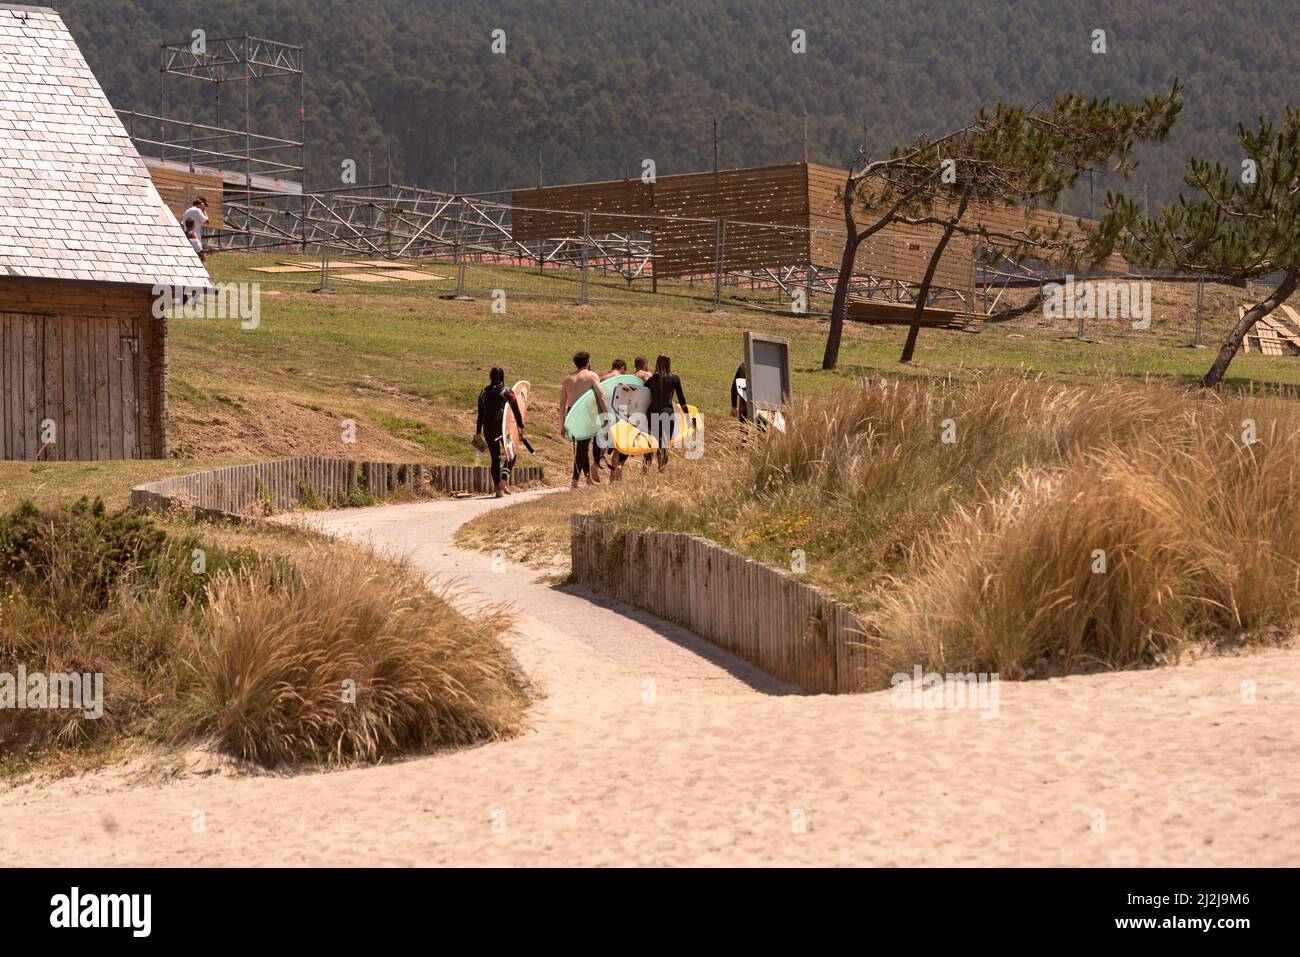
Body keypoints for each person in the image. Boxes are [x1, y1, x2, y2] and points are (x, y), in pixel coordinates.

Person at [560, 351, 609, 489]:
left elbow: (562, 404)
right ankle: (574, 480)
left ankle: (587, 478)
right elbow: (602, 397)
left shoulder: (568, 379)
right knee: (584, 446)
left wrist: (562, 425)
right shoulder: (592, 376)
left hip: (572, 413)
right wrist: (606, 415)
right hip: (587, 413)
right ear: (587, 362)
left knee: (582, 445)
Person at [475, 367, 525, 498]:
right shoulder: (506, 391)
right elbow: (516, 410)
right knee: (512, 454)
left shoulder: (483, 392)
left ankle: (498, 490)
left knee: (495, 458)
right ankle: (504, 480)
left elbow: (480, 415)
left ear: (490, 377)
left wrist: (478, 433)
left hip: (488, 428)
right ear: (502, 377)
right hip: (502, 428)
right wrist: (521, 427)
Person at [647, 354, 688, 469]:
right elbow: (682, 400)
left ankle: (645, 470)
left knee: (651, 443)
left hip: (652, 413)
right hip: (667, 413)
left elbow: (643, 396)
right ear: (669, 364)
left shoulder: (651, 380)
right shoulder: (674, 379)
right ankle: (661, 470)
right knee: (664, 444)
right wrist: (688, 416)